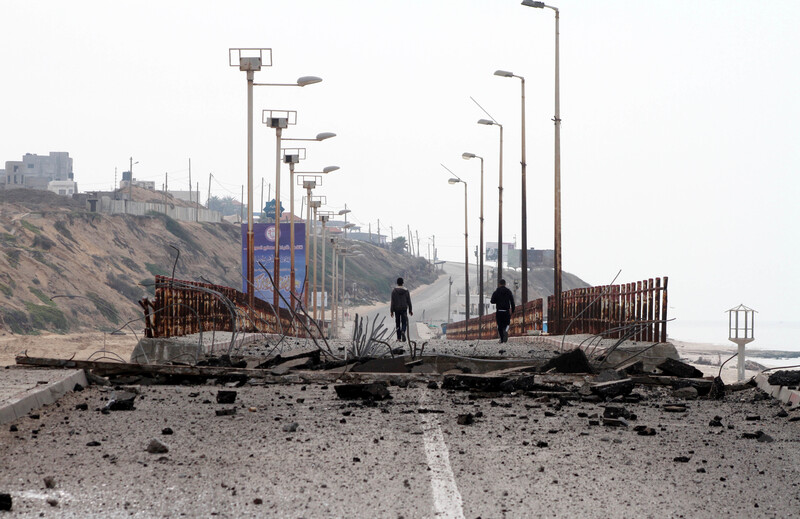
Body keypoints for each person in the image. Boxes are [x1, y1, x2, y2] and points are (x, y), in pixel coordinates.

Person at [490, 279, 515, 343]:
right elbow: (512, 301)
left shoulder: (496, 292)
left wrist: (497, 300)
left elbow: (492, 301)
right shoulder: (508, 291)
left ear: (499, 284)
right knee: (507, 323)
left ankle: (501, 339)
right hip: (506, 311)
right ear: (505, 284)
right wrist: (513, 310)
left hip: (499, 311)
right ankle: (505, 331)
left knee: (499, 325)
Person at [390, 277, 413, 341]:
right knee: (404, 322)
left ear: (397, 283)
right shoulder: (406, 291)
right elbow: (409, 301)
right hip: (404, 308)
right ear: (403, 283)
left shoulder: (394, 291)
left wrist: (391, 311)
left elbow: (392, 302)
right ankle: (403, 330)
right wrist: (410, 310)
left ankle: (399, 338)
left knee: (397, 323)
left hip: (396, 309)